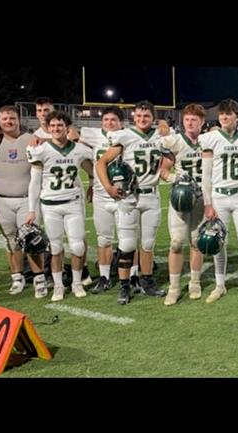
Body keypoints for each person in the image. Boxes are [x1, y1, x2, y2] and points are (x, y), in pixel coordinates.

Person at [96, 101, 167, 305]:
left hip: (151, 195)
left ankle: (147, 282)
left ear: (153, 117)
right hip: (129, 197)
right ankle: (124, 285)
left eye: (146, 116)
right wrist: (108, 187)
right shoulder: (124, 136)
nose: (142, 119)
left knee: (147, 244)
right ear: (134, 117)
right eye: (139, 116)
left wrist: (164, 125)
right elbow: (101, 162)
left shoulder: (160, 135)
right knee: (127, 244)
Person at [25, 110, 94, 301]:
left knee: (78, 247)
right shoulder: (41, 150)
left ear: (67, 127)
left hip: (72, 203)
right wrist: (32, 209)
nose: (56, 128)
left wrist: (91, 184)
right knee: (55, 248)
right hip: (50, 206)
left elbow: (93, 168)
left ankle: (77, 282)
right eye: (52, 125)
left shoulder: (79, 149)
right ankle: (58, 286)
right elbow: (34, 183)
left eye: (60, 125)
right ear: (47, 128)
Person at [199, 98, 238, 305]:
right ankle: (220, 285)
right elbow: (205, 176)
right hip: (219, 196)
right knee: (218, 243)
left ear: (237, 116)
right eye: (222, 114)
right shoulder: (210, 138)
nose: (224, 117)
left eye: (228, 114)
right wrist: (208, 203)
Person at [0, 105, 47, 298]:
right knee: (11, 241)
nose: (8, 121)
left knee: (31, 239)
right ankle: (17, 277)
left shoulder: (30, 139)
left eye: (12, 118)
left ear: (18, 119)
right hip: (2, 199)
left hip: (25, 200)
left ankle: (39, 278)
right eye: (4, 118)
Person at [158, 104, 208, 305]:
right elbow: (163, 171)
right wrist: (177, 181)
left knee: (196, 241)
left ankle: (195, 281)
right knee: (176, 242)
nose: (190, 122)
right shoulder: (176, 142)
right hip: (180, 197)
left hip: (202, 197)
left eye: (194, 119)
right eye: (187, 119)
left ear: (202, 122)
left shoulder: (208, 141)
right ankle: (174, 287)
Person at [77, 106, 125, 295]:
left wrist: (162, 123)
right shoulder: (93, 135)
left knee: (128, 240)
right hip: (101, 195)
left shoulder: (127, 135)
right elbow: (73, 137)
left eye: (113, 120)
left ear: (121, 122)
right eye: (106, 120)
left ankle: (131, 277)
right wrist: (91, 176)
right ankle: (104, 277)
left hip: (123, 196)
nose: (109, 123)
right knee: (103, 239)